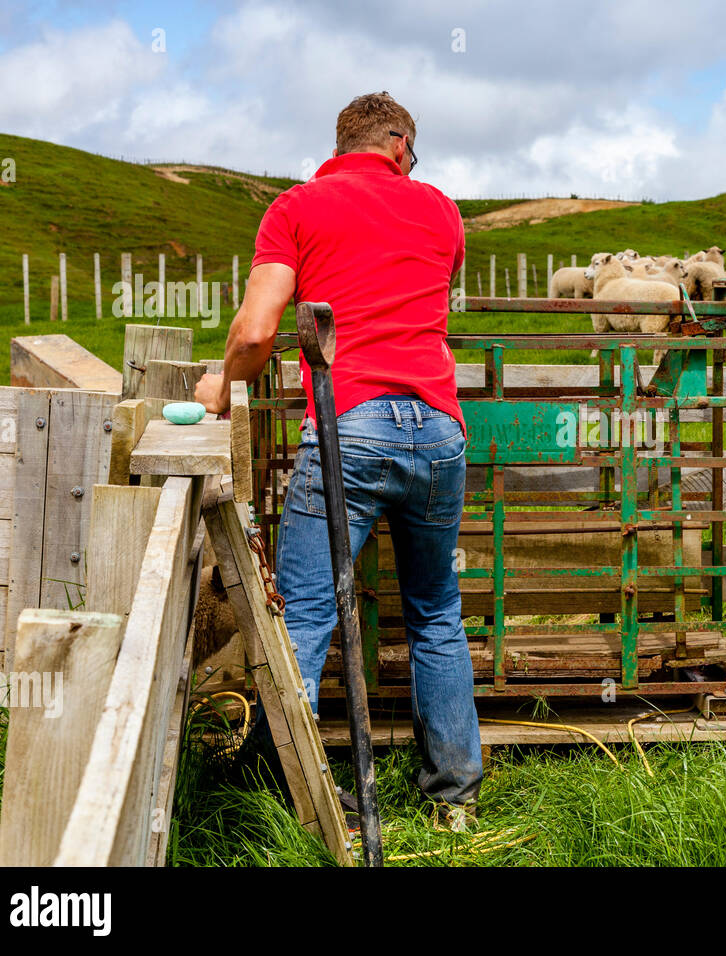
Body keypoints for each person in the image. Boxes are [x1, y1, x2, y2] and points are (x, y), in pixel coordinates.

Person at [194, 92, 482, 829]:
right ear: (397, 141)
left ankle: (284, 790)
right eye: (413, 151)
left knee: (310, 612)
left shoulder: (297, 208)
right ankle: (455, 798)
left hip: (350, 428)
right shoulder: (441, 210)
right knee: (436, 612)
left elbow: (258, 329)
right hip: (440, 430)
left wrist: (222, 383)